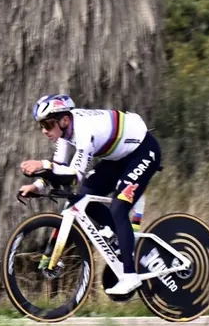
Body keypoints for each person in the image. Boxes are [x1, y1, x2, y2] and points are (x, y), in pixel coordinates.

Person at [18, 94, 161, 296]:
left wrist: (42, 165)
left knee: (119, 206)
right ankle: (121, 238)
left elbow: (74, 176)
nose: (44, 131)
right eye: (41, 125)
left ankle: (130, 276)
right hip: (119, 157)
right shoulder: (65, 133)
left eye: (48, 125)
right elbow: (59, 166)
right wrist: (38, 185)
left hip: (143, 152)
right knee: (83, 198)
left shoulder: (84, 131)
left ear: (64, 120)